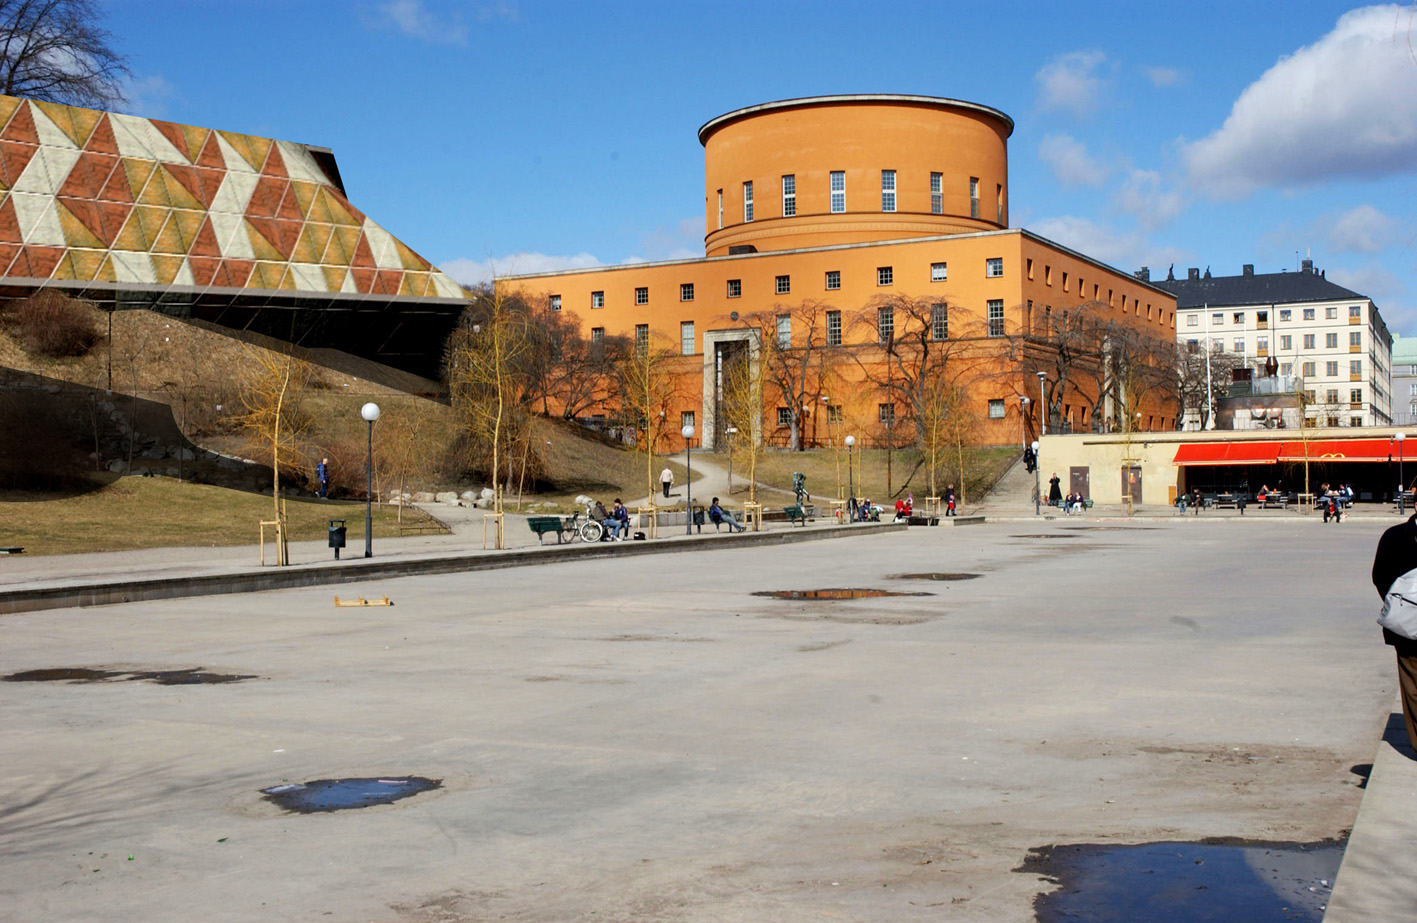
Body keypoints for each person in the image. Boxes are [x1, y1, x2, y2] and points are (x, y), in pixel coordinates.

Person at [1372, 511, 1417, 751]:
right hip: (1408, 628)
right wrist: (1402, 605)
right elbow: (1380, 576)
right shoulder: (1394, 537)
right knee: (1412, 688)